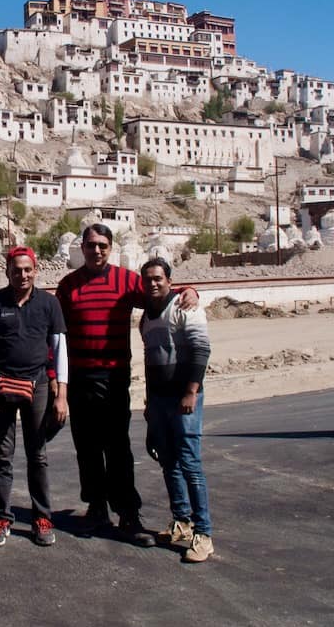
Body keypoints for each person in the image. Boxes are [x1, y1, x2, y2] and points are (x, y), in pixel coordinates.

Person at [55, 223, 197, 546]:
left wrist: (190, 292)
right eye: (91, 245)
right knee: (87, 447)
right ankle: (96, 508)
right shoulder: (68, 286)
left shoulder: (126, 281)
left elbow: (160, 296)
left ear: (111, 247)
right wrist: (57, 382)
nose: (97, 251)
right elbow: (57, 333)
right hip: (80, 379)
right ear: (83, 247)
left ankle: (128, 514)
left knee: (117, 446)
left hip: (114, 376)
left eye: (103, 245)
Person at [0, 246, 68, 548]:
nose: (22, 274)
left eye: (28, 269)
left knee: (37, 455)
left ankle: (42, 517)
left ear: (36, 270)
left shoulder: (48, 303)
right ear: (8, 271)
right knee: (1, 456)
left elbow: (59, 349)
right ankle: (1, 517)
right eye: (16, 269)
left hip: (39, 385)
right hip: (2, 387)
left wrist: (62, 394)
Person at [139, 257, 214, 563]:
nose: (153, 283)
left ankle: (204, 533)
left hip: (183, 399)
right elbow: (149, 360)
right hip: (159, 400)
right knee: (167, 461)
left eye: (158, 278)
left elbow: (201, 349)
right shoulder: (146, 316)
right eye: (148, 279)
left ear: (170, 280)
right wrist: (148, 400)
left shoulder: (185, 307)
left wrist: (191, 392)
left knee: (190, 464)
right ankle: (181, 521)